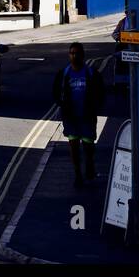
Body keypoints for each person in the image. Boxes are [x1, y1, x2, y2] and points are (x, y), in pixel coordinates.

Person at [53, 42, 107, 188]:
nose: (74, 55)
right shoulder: (64, 74)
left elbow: (100, 91)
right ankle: (78, 175)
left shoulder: (91, 73)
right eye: (71, 53)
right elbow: (56, 92)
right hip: (71, 118)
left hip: (87, 117)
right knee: (74, 148)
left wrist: (95, 107)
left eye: (76, 53)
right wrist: (63, 105)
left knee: (88, 147)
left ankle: (89, 164)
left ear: (82, 55)